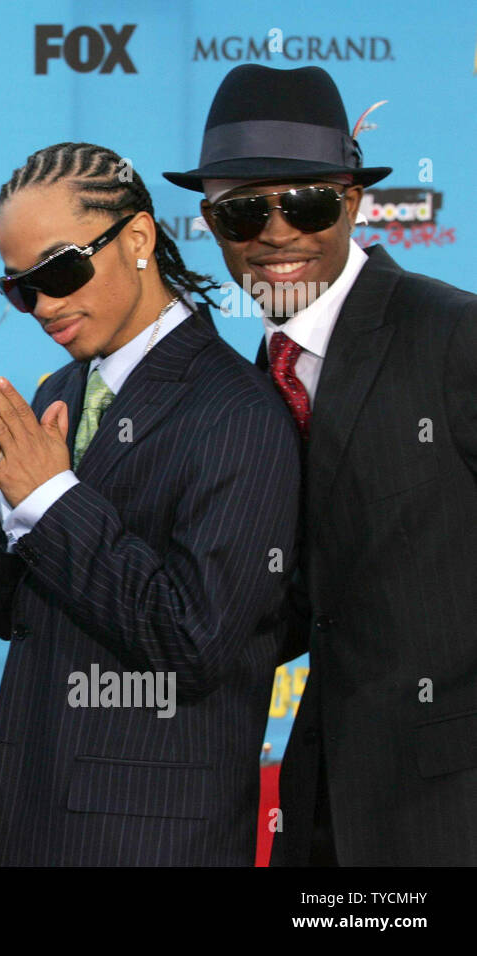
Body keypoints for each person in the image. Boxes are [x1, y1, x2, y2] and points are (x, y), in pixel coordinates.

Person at [166, 64, 477, 866]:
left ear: (352, 201)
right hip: (319, 807)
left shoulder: (450, 336)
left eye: (304, 204)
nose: (274, 235)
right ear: (211, 223)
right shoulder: (247, 386)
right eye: (241, 213)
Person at [0, 142, 301, 865]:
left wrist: (50, 500)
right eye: (20, 289)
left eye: (60, 270)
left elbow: (193, 642)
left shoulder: (237, 412)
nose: (45, 305)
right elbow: (2, 612)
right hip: (22, 816)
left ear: (140, 239)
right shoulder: (57, 393)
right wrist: (14, 509)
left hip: (148, 836)